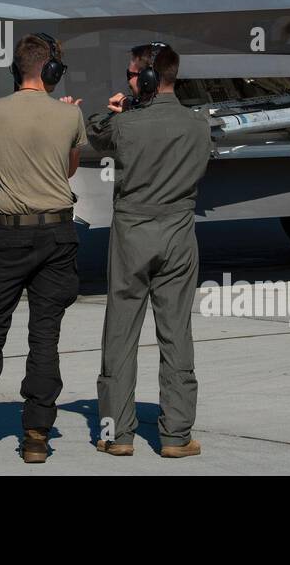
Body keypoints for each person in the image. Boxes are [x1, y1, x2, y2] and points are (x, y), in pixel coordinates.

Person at [0, 33, 87, 465]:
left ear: (16, 70)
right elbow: (66, 171)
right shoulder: (69, 118)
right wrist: (60, 121)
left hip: (9, 232)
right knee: (45, 334)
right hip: (57, 234)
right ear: (52, 72)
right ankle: (36, 436)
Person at [87, 44, 212, 459]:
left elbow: (95, 132)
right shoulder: (199, 125)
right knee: (176, 333)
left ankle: (116, 434)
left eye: (131, 75)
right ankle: (176, 435)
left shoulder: (125, 125)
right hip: (178, 232)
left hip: (132, 234)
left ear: (145, 79)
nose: (127, 81)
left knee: (120, 333)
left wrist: (117, 109)